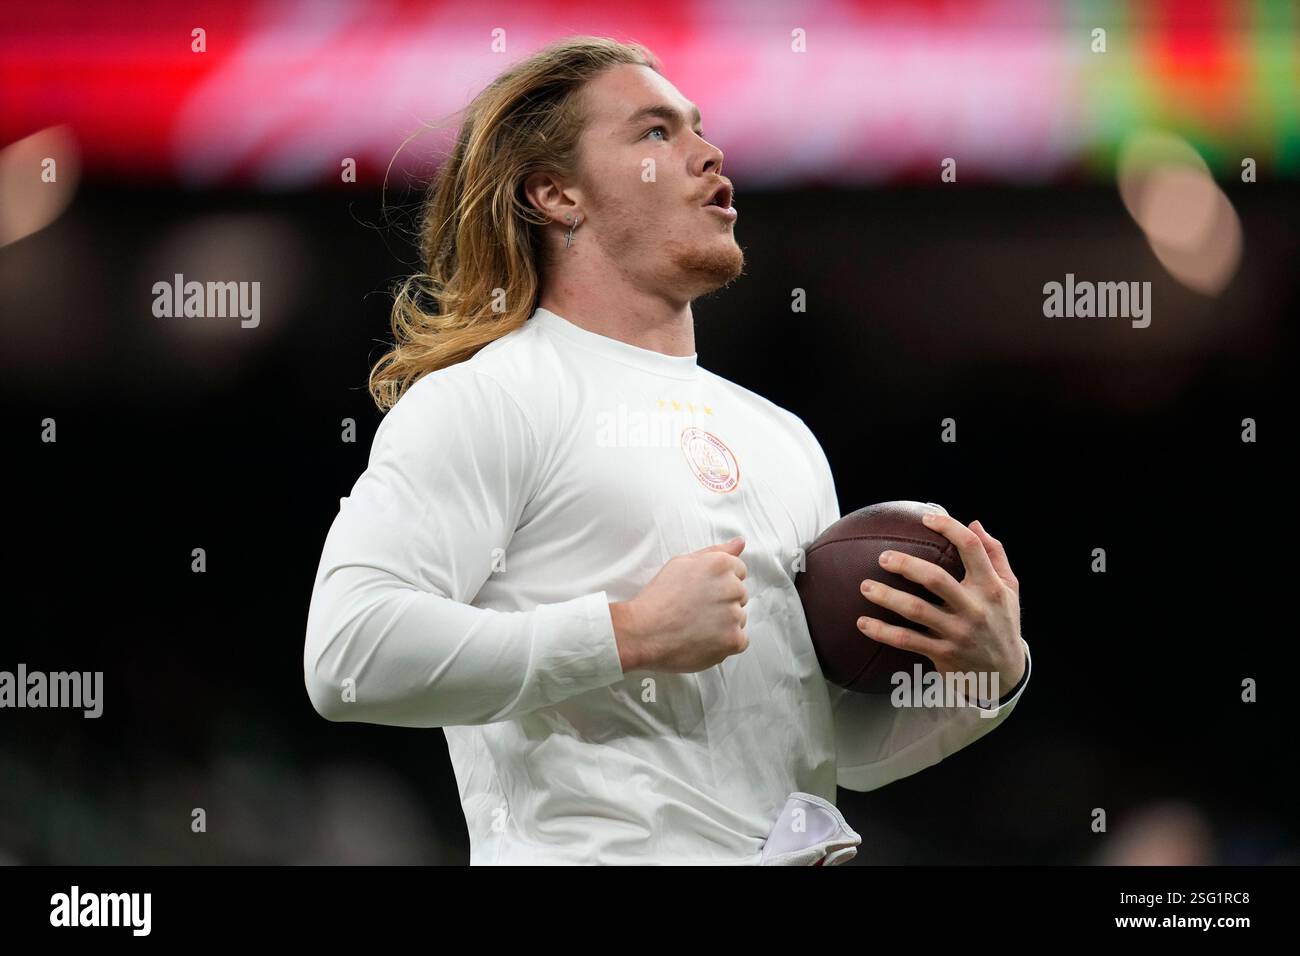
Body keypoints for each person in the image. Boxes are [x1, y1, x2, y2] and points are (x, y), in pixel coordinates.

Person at [304, 35, 1030, 865]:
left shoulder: (782, 438)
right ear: (556, 193)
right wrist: (629, 633)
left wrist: (986, 677)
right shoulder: (485, 400)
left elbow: (837, 751)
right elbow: (347, 653)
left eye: (697, 126)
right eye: (655, 133)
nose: (707, 151)